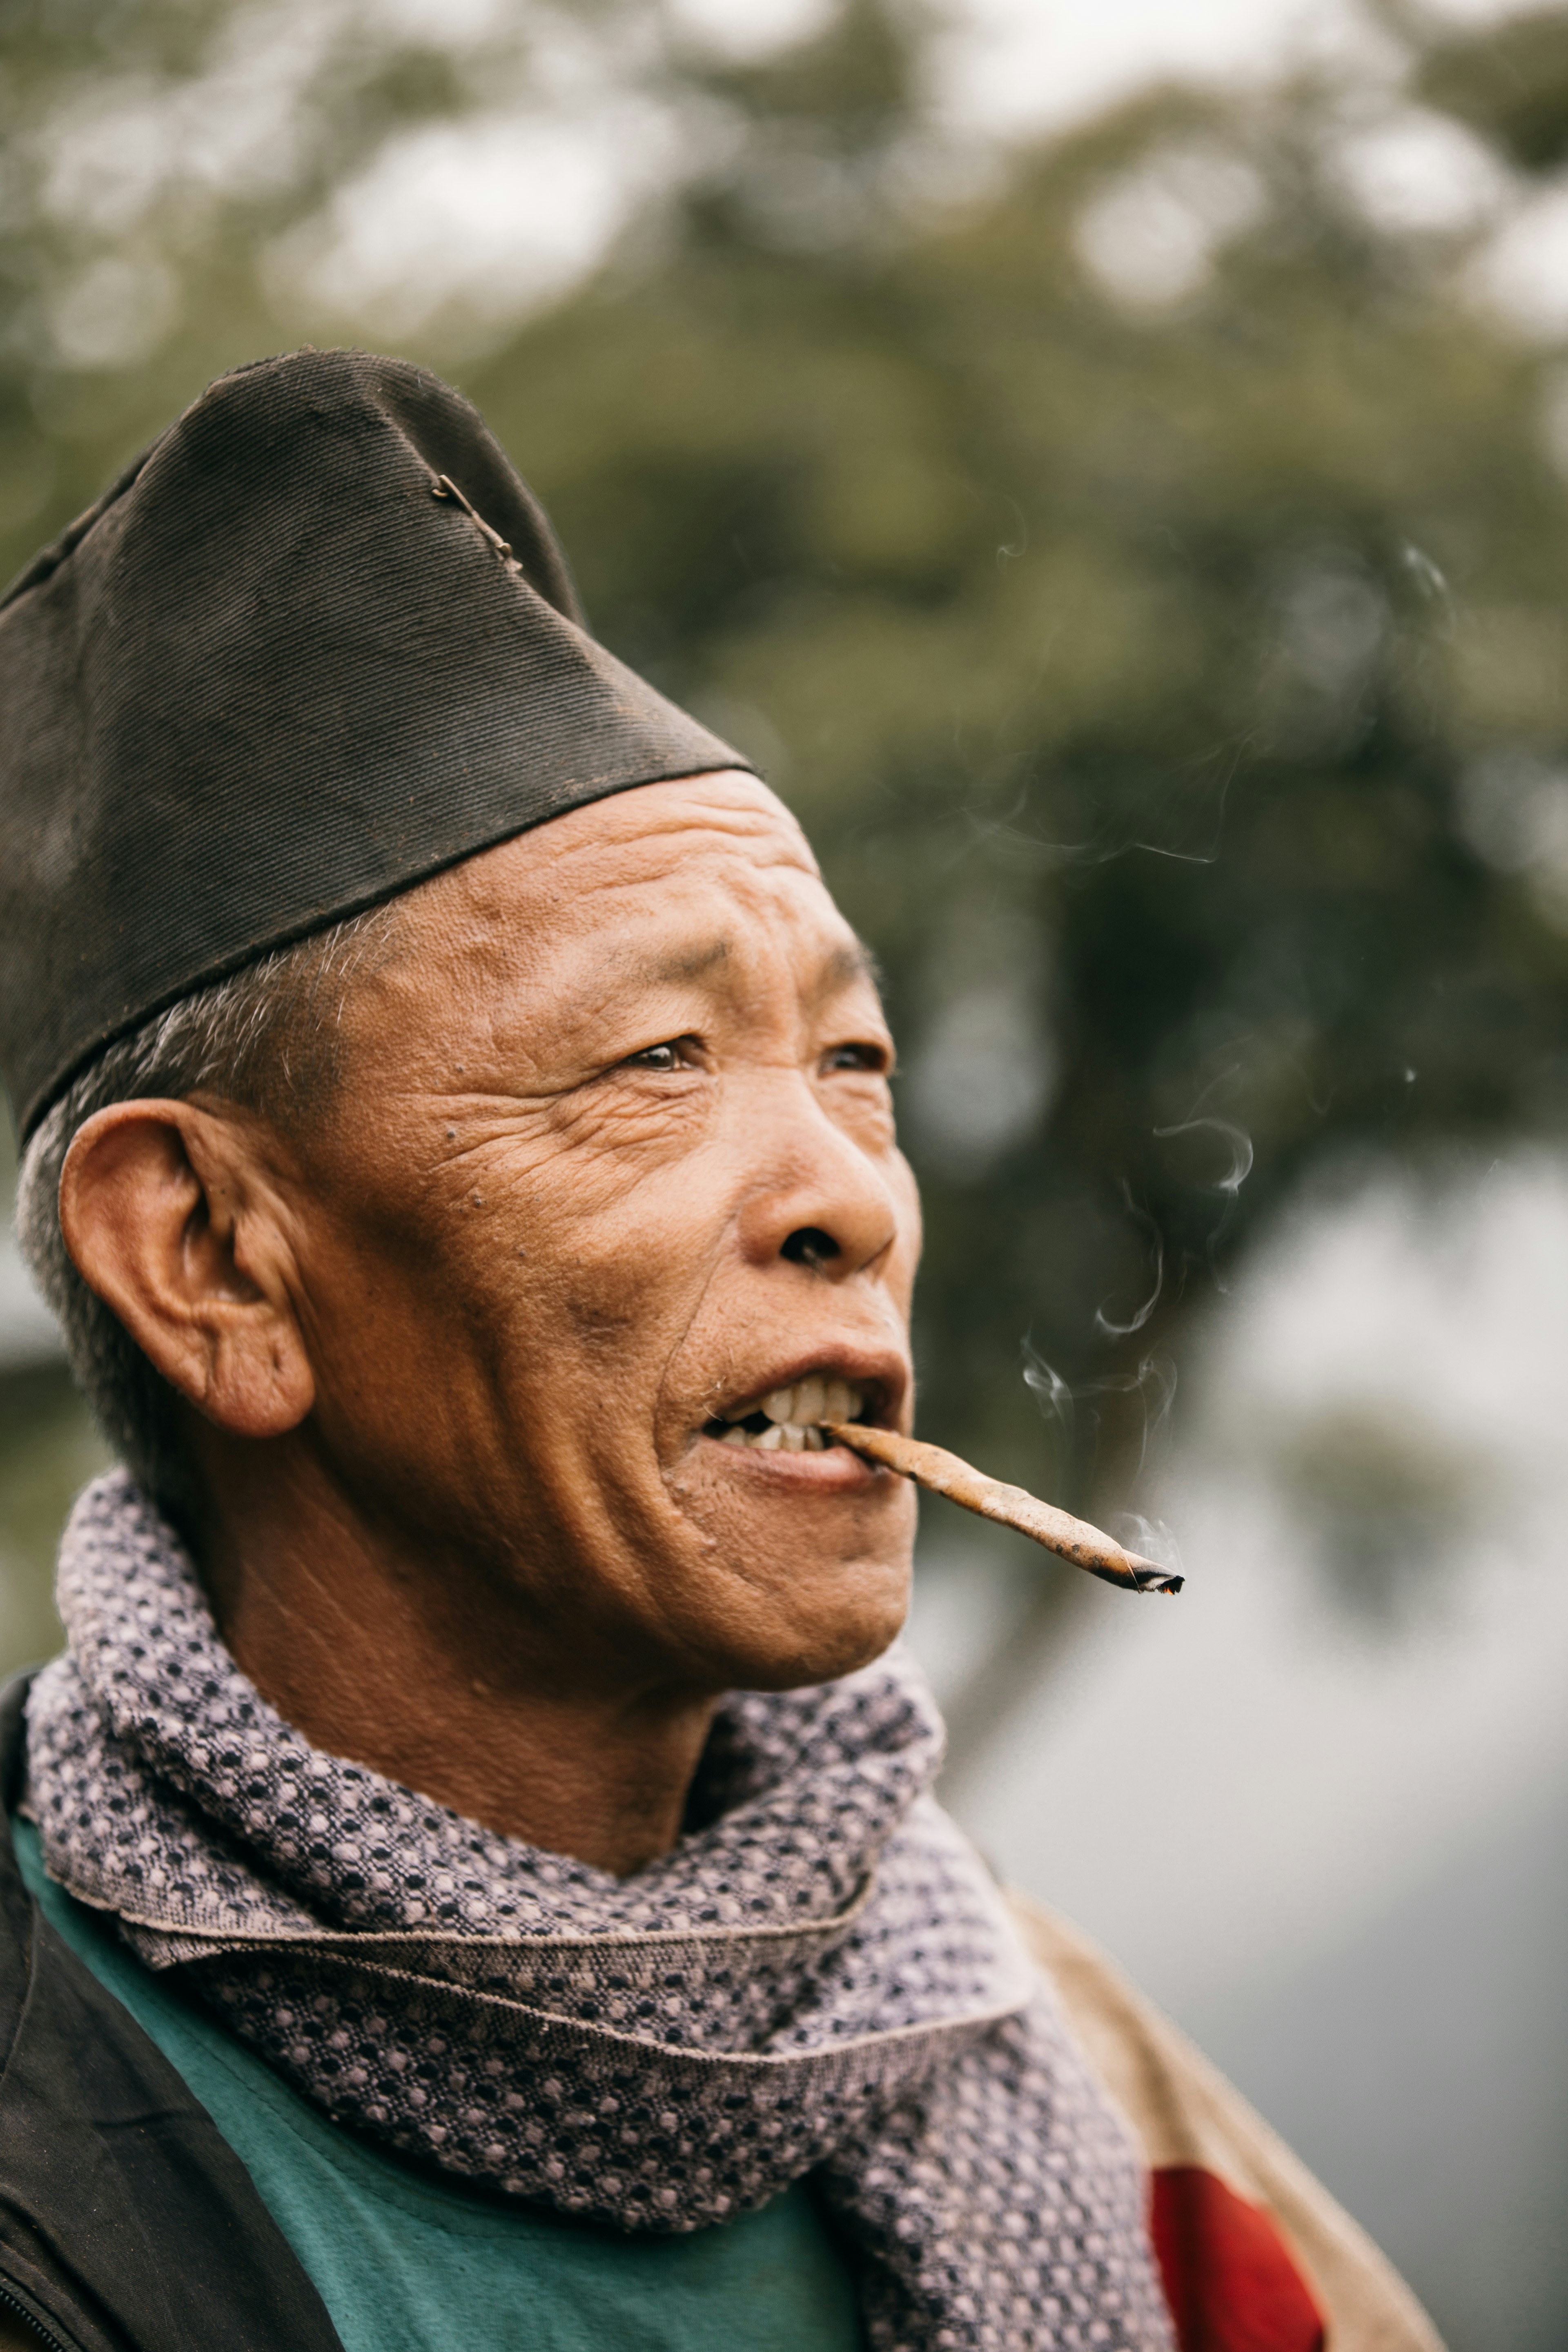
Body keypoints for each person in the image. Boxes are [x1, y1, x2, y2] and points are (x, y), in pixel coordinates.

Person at [0, 350, 1441, 2352]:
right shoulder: (54, 2174)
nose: (849, 1194)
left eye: (856, 1059)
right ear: (216, 1259)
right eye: (657, 1059)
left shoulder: (1052, 2072)